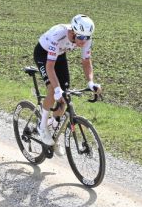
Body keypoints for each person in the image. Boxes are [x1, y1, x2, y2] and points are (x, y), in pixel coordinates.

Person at [34, 15, 102, 147]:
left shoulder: (86, 38)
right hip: (43, 53)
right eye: (81, 38)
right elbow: (49, 66)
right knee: (53, 90)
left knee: (65, 96)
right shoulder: (58, 35)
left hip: (59, 55)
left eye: (87, 38)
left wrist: (91, 83)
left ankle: (53, 129)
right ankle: (42, 126)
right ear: (73, 32)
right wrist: (57, 90)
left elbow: (86, 61)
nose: (84, 41)